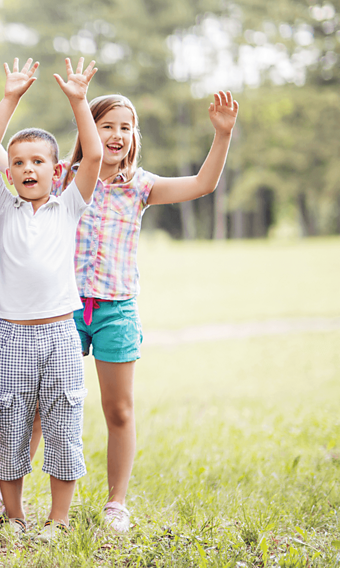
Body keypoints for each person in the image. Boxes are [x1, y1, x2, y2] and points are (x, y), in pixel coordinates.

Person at [54, 90, 238, 533]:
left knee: (118, 410)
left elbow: (202, 184)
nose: (116, 135)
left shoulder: (140, 185)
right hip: (63, 307)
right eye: (106, 125)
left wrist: (222, 134)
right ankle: (7, 493)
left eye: (125, 126)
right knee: (46, 404)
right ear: (88, 130)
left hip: (117, 310)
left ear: (134, 135)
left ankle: (116, 503)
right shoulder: (63, 177)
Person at [0, 57, 99, 541]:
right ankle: (14, 517)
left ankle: (58, 519)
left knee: (64, 421)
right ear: (8, 173)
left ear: (57, 171)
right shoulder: (0, 206)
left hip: (60, 335)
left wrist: (78, 100)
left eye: (38, 161)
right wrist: (9, 97)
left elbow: (92, 156)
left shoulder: (67, 205)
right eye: (19, 162)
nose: (28, 168)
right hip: (12, 336)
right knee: (9, 422)